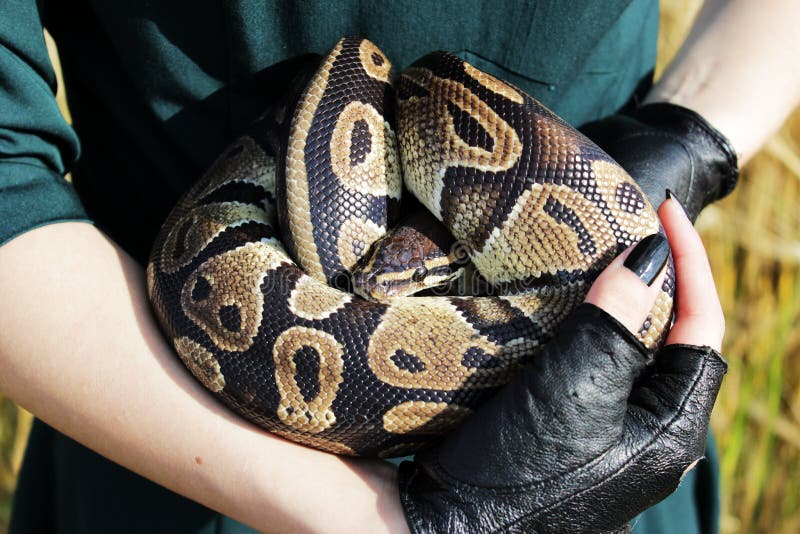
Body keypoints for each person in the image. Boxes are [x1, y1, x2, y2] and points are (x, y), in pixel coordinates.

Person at [0, 0, 797, 531]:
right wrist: (377, 522)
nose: (378, 287)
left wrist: (691, 132)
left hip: (580, 457)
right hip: (166, 436)